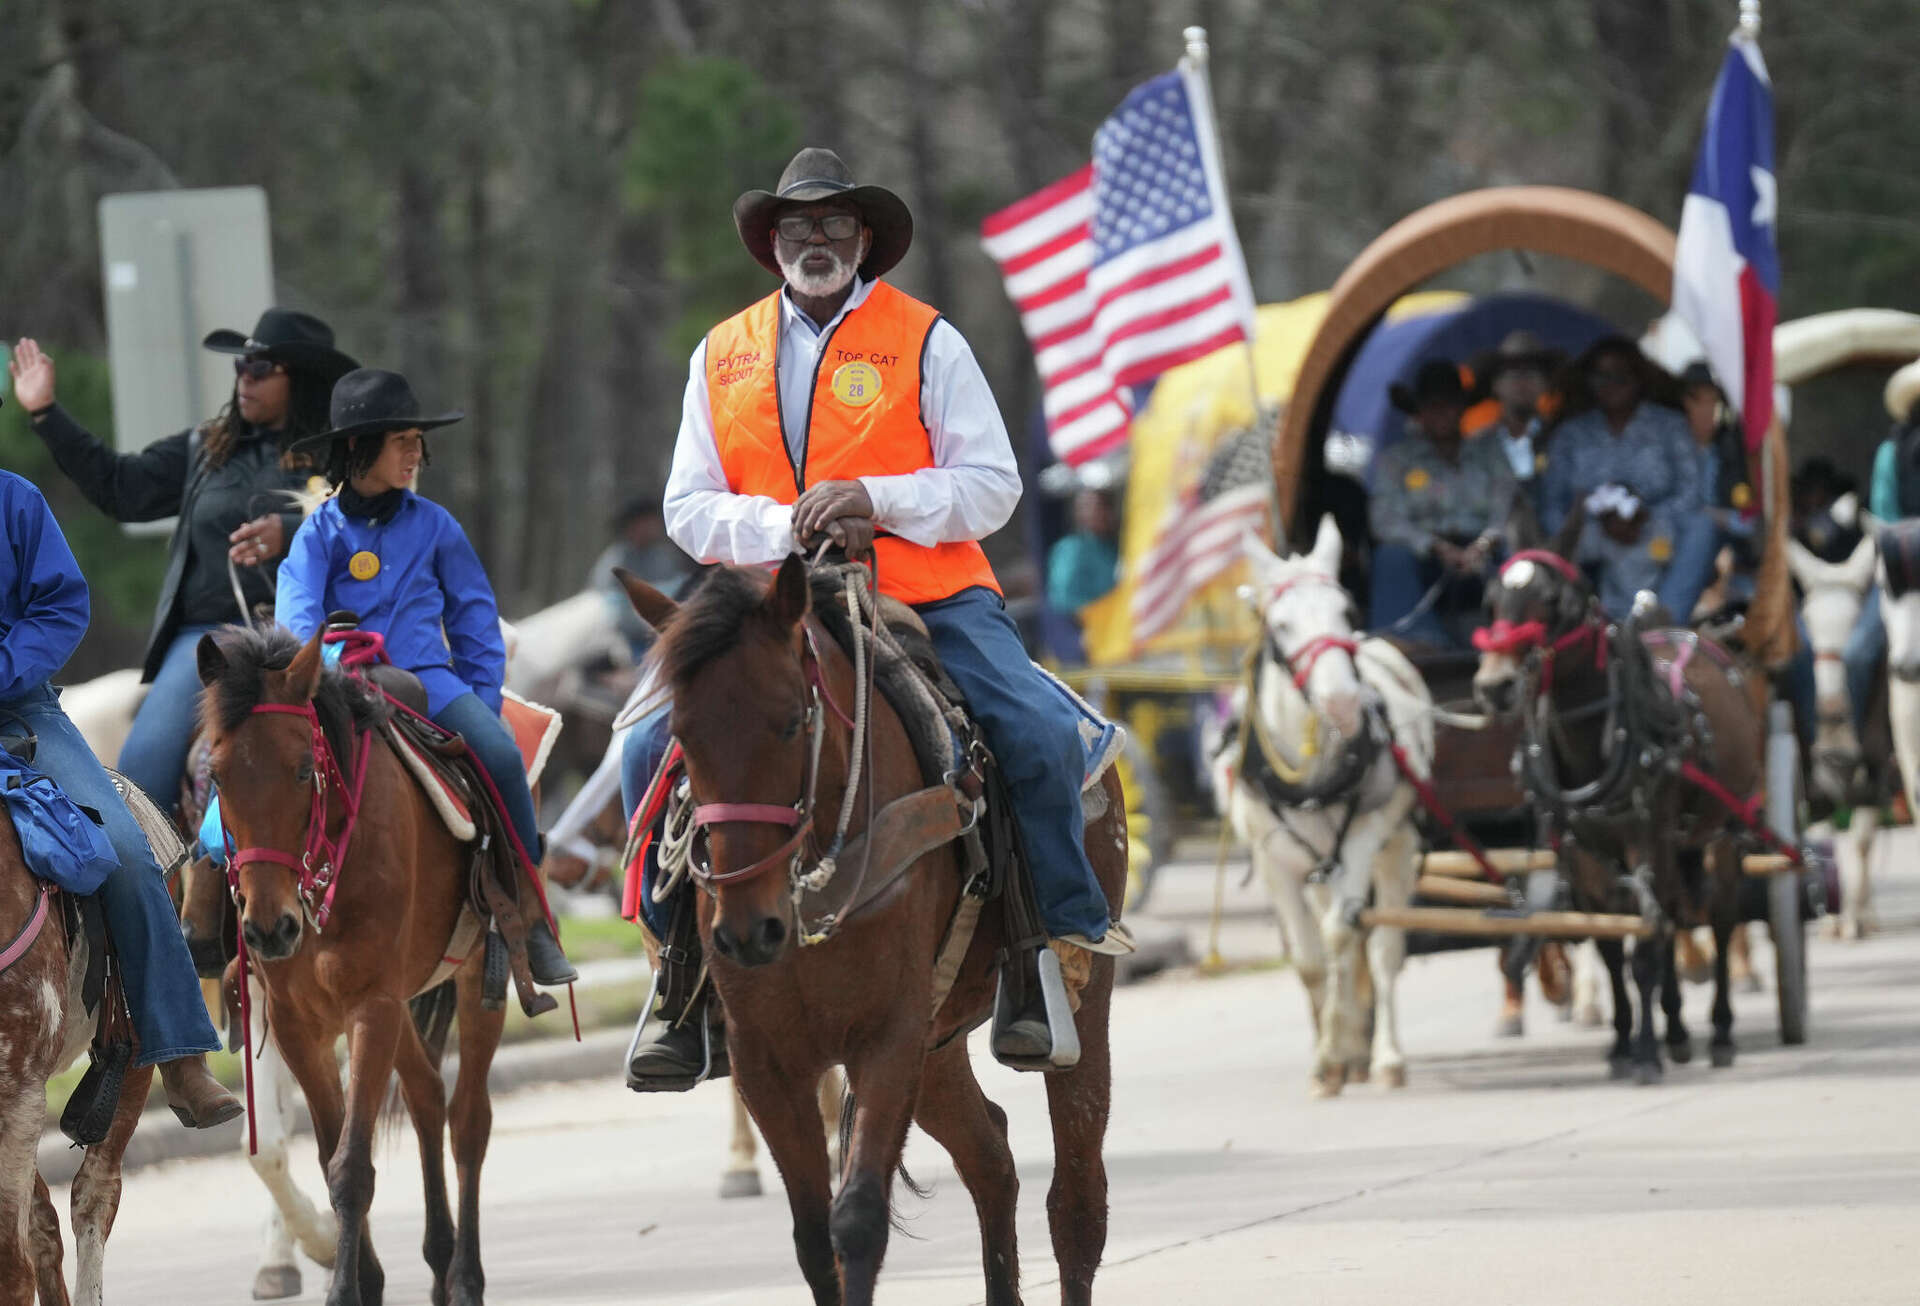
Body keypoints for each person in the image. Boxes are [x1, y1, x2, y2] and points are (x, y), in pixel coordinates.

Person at [621, 147, 1132, 1090]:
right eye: (798, 228)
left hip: (925, 592)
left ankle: (1044, 950)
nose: (816, 242)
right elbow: (687, 508)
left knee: (1033, 732)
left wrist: (875, 500)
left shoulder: (928, 339)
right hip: (768, 601)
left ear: (866, 240)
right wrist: (789, 520)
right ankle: (681, 977)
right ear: (771, 243)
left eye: (835, 226)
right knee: (644, 747)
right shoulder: (720, 350)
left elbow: (993, 488)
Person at [273, 368, 574, 986]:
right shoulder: (317, 534)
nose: (415, 453)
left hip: (430, 685)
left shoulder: (437, 525)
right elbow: (297, 625)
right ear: (360, 448)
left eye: (418, 440)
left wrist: (483, 699)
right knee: (254, 772)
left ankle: (530, 913)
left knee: (502, 755)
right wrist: (329, 667)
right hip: (340, 688)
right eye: (401, 440)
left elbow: (475, 623)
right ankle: (220, 900)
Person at [8, 310, 358, 814]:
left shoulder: (342, 456)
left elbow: (372, 530)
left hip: (304, 636)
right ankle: (160, 885)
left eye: (260, 369)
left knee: (374, 750)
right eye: (241, 367)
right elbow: (121, 489)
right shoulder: (206, 448)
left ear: (299, 379)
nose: (244, 378)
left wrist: (293, 532)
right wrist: (46, 414)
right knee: (141, 769)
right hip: (209, 641)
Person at [0, 419, 240, 1127]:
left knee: (128, 853)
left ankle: (178, 1054)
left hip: (20, 716)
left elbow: (61, 605)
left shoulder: (15, 502)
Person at [1541, 337, 1702, 619]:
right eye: (1601, 377)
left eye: (1620, 376)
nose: (1610, 385)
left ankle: (1639, 634)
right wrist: (1592, 524)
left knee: (1639, 553)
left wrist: (1642, 517)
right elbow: (1552, 505)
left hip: (1654, 535)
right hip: (1587, 538)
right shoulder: (1571, 434)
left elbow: (1692, 492)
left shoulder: (1669, 426)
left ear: (1638, 379)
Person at [1367, 359, 1516, 648]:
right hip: (1426, 556)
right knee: (1391, 556)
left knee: (1520, 558)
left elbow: (1506, 506)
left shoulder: (1489, 452)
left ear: (1462, 407)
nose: (1441, 413)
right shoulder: (1397, 460)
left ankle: (1517, 633)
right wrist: (1436, 546)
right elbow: (1384, 519)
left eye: (1448, 404)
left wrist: (1484, 545)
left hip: (1485, 554)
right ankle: (1410, 642)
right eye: (1432, 406)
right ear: (1419, 412)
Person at [1842, 356, 1920, 732]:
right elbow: (1885, 518)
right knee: (1858, 653)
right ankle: (1856, 742)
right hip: (1902, 570)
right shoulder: (1891, 454)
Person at [1657, 361, 1759, 622]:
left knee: (1703, 527)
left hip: (1731, 552)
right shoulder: (1664, 444)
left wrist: (1717, 518)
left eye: (1713, 401)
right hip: (1666, 545)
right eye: (1695, 400)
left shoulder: (1734, 449)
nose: (1705, 410)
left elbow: (1750, 521)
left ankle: (1668, 620)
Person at [590, 495, 695, 658]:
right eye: (647, 522)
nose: (653, 527)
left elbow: (681, 591)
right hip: (622, 643)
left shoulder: (665, 557)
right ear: (632, 526)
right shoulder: (614, 561)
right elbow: (607, 609)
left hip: (664, 634)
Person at [1476, 331, 1561, 511]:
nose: (1522, 381)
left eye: (1531, 372)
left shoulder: (1563, 440)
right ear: (1495, 384)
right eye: (1513, 373)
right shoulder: (1477, 446)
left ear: (1545, 383)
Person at [1045, 487, 1120, 616]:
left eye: (1103, 506)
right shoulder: (1070, 549)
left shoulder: (1113, 547)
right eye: (1088, 506)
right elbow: (1063, 598)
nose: (1097, 513)